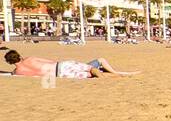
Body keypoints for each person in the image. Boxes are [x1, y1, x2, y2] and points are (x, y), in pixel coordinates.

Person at [3, 49, 139, 78]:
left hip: (60, 75)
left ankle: (116, 76)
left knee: (90, 74)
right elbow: (51, 62)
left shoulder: (18, 73)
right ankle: (117, 73)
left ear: (9, 62)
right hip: (60, 66)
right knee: (98, 63)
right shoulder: (30, 59)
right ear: (19, 56)